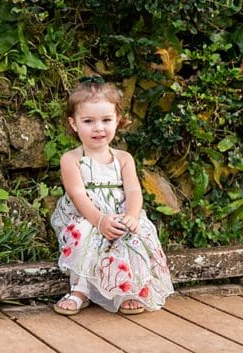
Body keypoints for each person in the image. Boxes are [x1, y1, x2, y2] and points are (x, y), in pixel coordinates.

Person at [50, 75, 174, 316]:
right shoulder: (72, 159)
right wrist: (99, 221)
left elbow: (133, 190)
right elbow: (77, 194)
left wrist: (132, 216)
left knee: (133, 235)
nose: (99, 128)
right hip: (87, 215)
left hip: (120, 214)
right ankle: (80, 290)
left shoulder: (123, 158)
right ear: (74, 124)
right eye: (88, 121)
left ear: (117, 120)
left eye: (106, 120)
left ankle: (128, 290)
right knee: (85, 234)